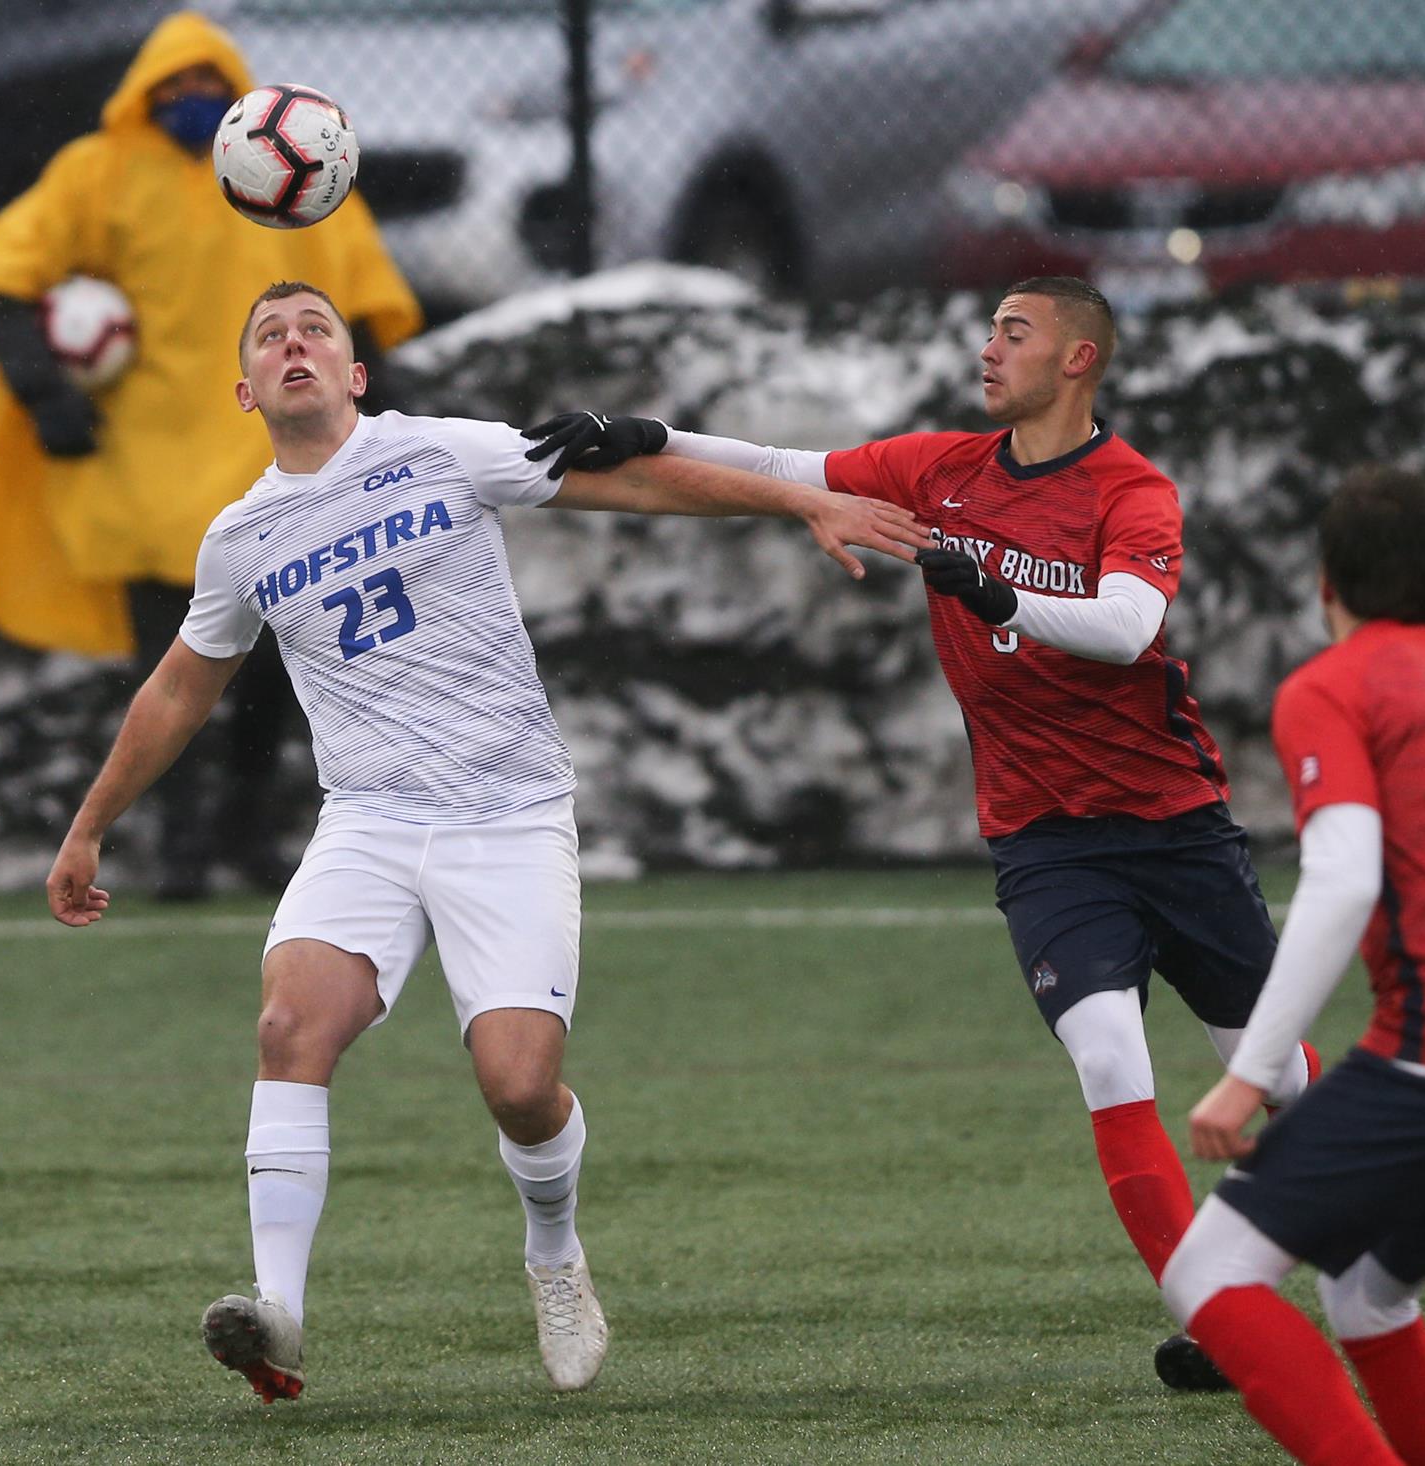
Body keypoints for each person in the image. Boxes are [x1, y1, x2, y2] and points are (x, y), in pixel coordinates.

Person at [45, 280, 929, 1402]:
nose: (294, 344)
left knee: (519, 1087)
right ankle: (277, 1312)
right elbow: (178, 690)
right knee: (287, 1025)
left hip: (506, 813)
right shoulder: (240, 537)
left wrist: (797, 501)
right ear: (245, 390)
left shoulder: (441, 451)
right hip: (367, 822)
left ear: (356, 372)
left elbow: (633, 478)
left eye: (316, 329)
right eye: (269, 336)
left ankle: (553, 1251)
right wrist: (89, 827)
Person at [521, 276, 1319, 1393]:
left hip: (1173, 829)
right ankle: (1218, 1318)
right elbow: (789, 466)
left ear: (1078, 360)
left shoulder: (1132, 491)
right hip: (1045, 842)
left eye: (1013, 332)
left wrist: (995, 594)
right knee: (1108, 1055)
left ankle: (1374, 1188)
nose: (988, 347)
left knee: (1275, 1075)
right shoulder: (942, 467)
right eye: (987, 328)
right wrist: (649, 433)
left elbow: (1125, 626)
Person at [0, 11, 422, 899]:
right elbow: (3, 275)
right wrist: (44, 391)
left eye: (207, 82)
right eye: (172, 84)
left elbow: (360, 301)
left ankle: (244, 829)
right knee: (173, 671)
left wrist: (380, 422)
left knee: (279, 667)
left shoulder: (293, 172)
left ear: (237, 93)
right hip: (149, 468)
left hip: (276, 466)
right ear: (141, 92)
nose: (190, 98)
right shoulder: (98, 173)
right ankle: (183, 844)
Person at [1159, 466, 1425, 1465]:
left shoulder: (1336, 685)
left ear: (1327, 583)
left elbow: (1344, 880)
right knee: (1364, 1290)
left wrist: (1248, 1075)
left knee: (1207, 1274)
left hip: (1420, 1062)